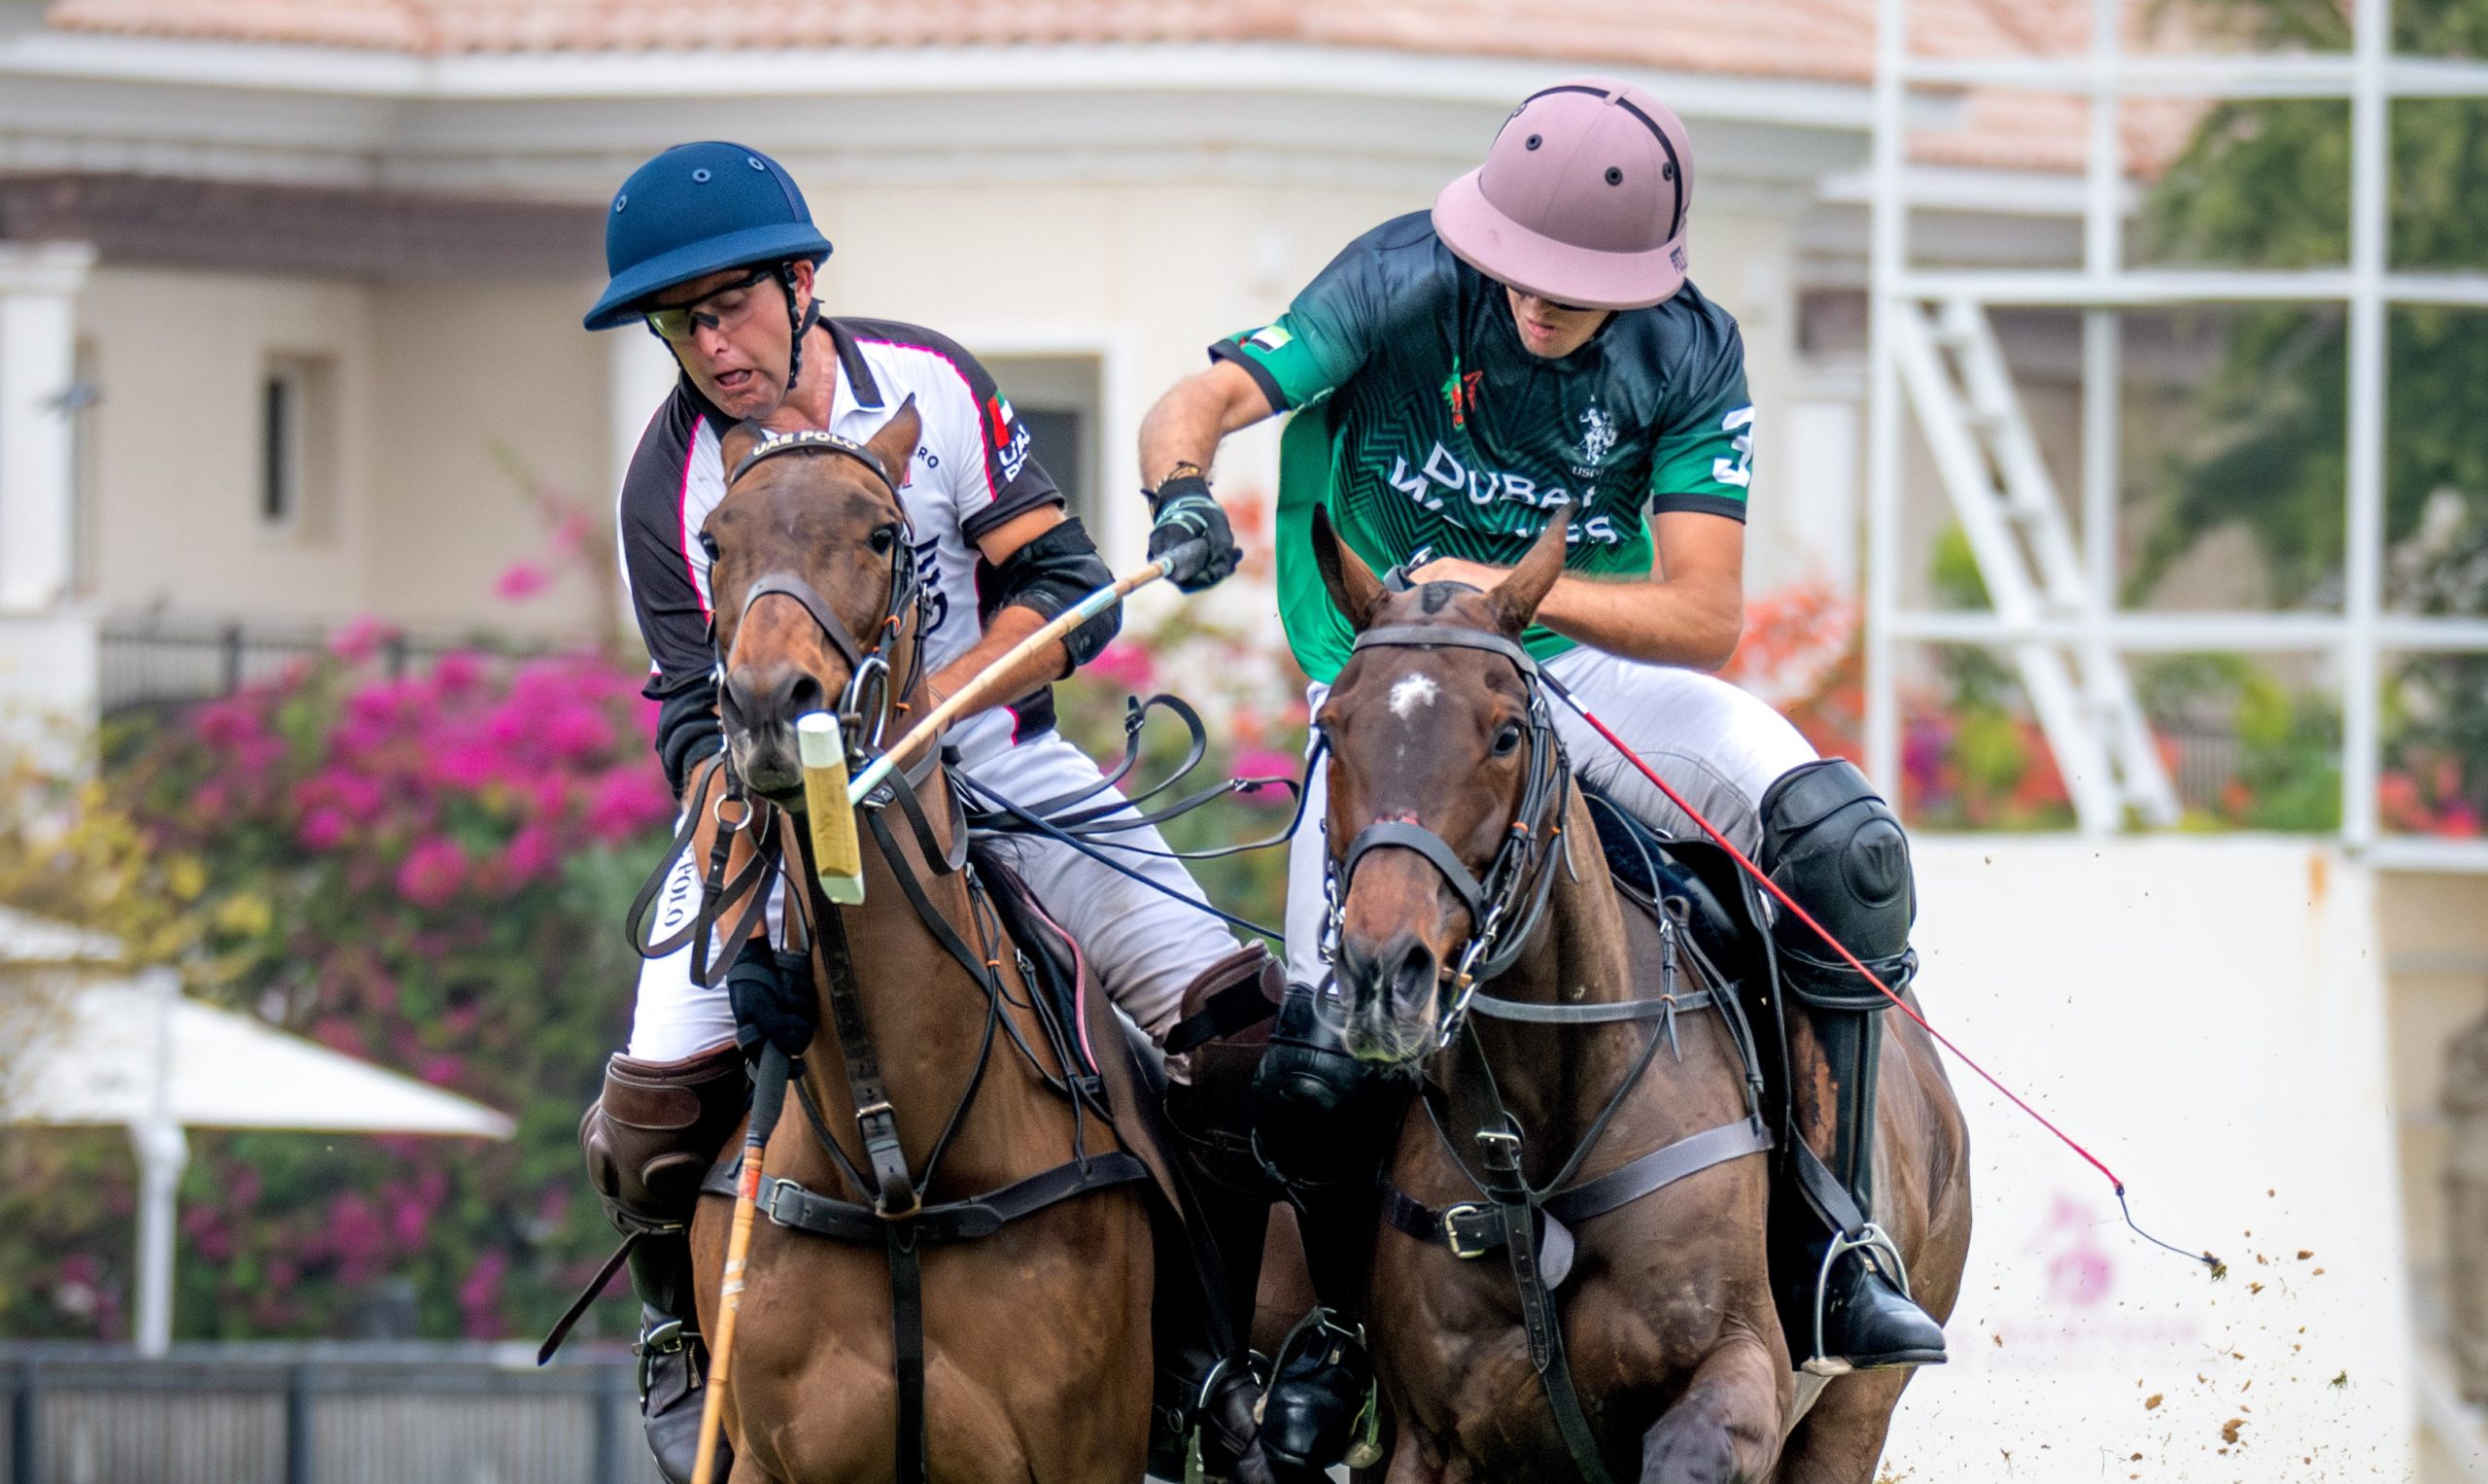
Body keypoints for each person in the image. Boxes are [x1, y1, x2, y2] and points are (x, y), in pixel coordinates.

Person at [1137, 78, 1947, 1467]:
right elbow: (1203, 396)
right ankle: (1337, 1326)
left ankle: (1833, 1239)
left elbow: (1701, 612)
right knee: (1326, 1048)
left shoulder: (1688, 351)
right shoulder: (1399, 277)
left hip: (1578, 672)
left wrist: (1514, 597)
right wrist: (1183, 488)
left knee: (1840, 843)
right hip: (1393, 705)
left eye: (1574, 291)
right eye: (1519, 275)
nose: (1539, 305)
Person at [572, 141, 1264, 1484]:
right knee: (650, 1103)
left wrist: (931, 708)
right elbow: (687, 716)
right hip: (774, 806)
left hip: (1001, 771)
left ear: (803, 280)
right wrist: (747, 869)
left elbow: (1065, 581)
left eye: (730, 307)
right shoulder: (669, 482)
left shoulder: (932, 385)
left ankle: (1211, 1359)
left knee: (1240, 1039)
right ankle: (682, 1343)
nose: (711, 346)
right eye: (680, 323)